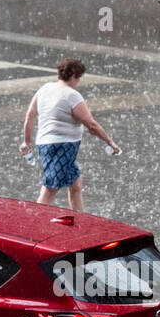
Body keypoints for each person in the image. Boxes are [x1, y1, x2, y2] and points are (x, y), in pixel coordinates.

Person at [20, 57, 120, 212]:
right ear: (74, 76)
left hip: (44, 143)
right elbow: (92, 126)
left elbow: (30, 115)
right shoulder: (72, 95)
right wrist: (110, 142)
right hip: (63, 146)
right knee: (50, 187)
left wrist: (27, 142)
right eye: (79, 78)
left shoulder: (45, 89)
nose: (78, 82)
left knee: (75, 184)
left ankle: (79, 219)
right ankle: (32, 224)